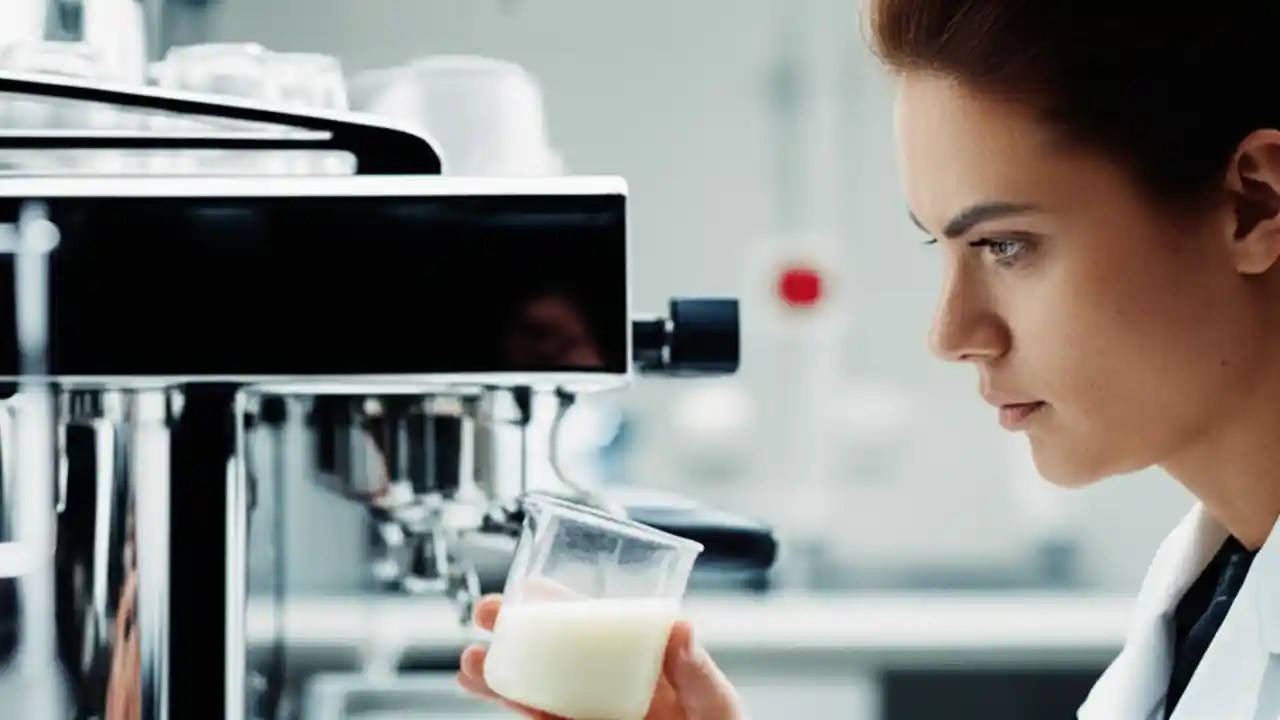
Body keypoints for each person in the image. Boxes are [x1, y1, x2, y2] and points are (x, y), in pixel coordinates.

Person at [459, 1, 1280, 717]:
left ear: (1254, 204)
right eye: (942, 243)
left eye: (1007, 244)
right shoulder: (1212, 591)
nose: (951, 333)